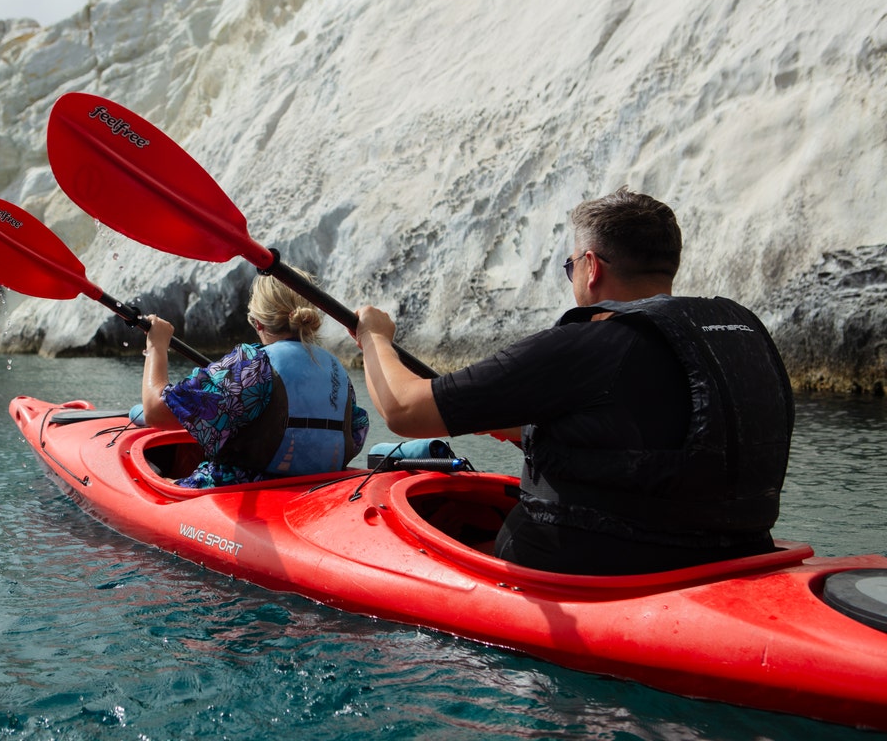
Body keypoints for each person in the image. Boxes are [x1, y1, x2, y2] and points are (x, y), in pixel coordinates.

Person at [353, 187, 795, 575]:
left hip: (597, 570)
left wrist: (374, 337)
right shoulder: (736, 334)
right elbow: (659, 440)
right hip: (733, 557)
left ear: (591, 266)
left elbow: (404, 410)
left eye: (571, 266)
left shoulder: (588, 342)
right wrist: (529, 431)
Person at [139, 268, 370, 488]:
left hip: (242, 489)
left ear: (258, 321)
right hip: (314, 488)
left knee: (157, 474)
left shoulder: (252, 364)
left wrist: (157, 345)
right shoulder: (337, 371)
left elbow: (155, 411)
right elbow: (355, 432)